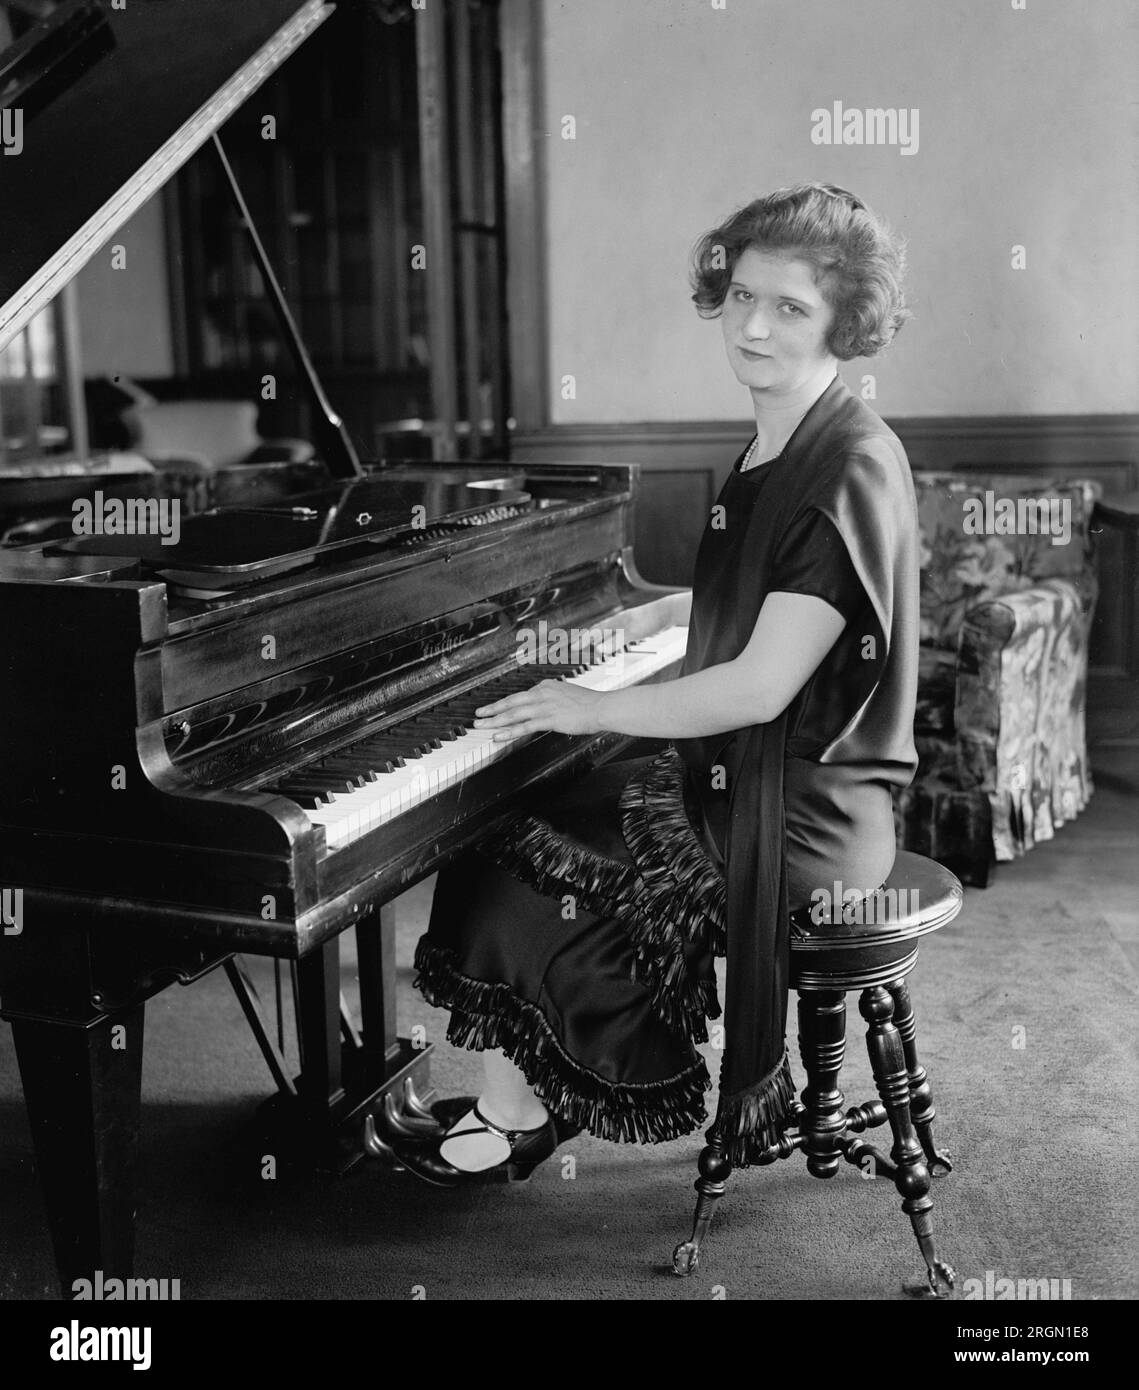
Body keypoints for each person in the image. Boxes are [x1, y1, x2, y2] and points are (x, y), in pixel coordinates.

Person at [390, 182, 921, 1185]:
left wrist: (588, 706)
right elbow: (770, 601)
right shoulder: (790, 434)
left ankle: (521, 1111)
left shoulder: (841, 463)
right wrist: (658, 616)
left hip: (802, 815)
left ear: (843, 323)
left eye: (790, 308)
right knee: (530, 793)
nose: (753, 326)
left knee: (526, 832)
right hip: (763, 773)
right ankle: (524, 1097)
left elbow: (759, 687)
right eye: (741, 296)